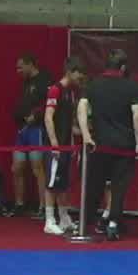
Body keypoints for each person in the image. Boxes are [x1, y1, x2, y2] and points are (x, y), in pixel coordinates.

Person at [76, 48, 138, 242]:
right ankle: (113, 223)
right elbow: (137, 115)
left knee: (94, 185)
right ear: (123, 67)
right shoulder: (133, 87)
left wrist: (86, 135)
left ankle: (85, 223)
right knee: (118, 187)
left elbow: (81, 108)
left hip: (99, 144)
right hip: (124, 145)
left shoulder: (93, 85)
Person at [40, 56, 86, 235]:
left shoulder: (71, 93)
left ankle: (64, 217)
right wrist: (54, 144)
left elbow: (69, 124)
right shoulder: (55, 90)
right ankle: (49, 220)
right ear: (70, 72)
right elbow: (48, 117)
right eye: (79, 74)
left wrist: (82, 136)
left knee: (62, 183)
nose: (81, 77)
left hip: (66, 146)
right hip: (55, 146)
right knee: (52, 183)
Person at [10, 54, 53, 218]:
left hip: (37, 129)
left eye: (20, 67)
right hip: (22, 130)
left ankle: (43, 207)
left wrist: (36, 115)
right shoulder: (26, 82)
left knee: (38, 168)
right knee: (17, 168)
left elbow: (49, 103)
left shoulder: (45, 79)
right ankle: (19, 204)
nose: (18, 71)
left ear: (30, 64)